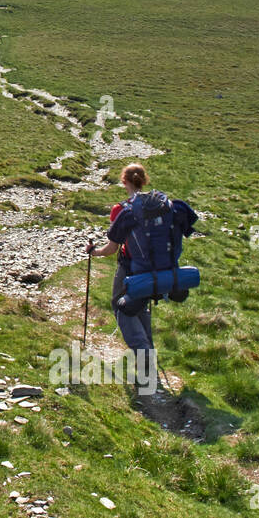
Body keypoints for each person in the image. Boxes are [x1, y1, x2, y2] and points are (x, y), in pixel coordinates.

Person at [87, 163, 158, 394]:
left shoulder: (121, 209)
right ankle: (150, 360)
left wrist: (94, 252)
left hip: (129, 268)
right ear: (144, 181)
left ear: (124, 181)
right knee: (140, 307)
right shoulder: (157, 206)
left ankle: (144, 358)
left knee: (121, 305)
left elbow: (112, 248)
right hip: (155, 268)